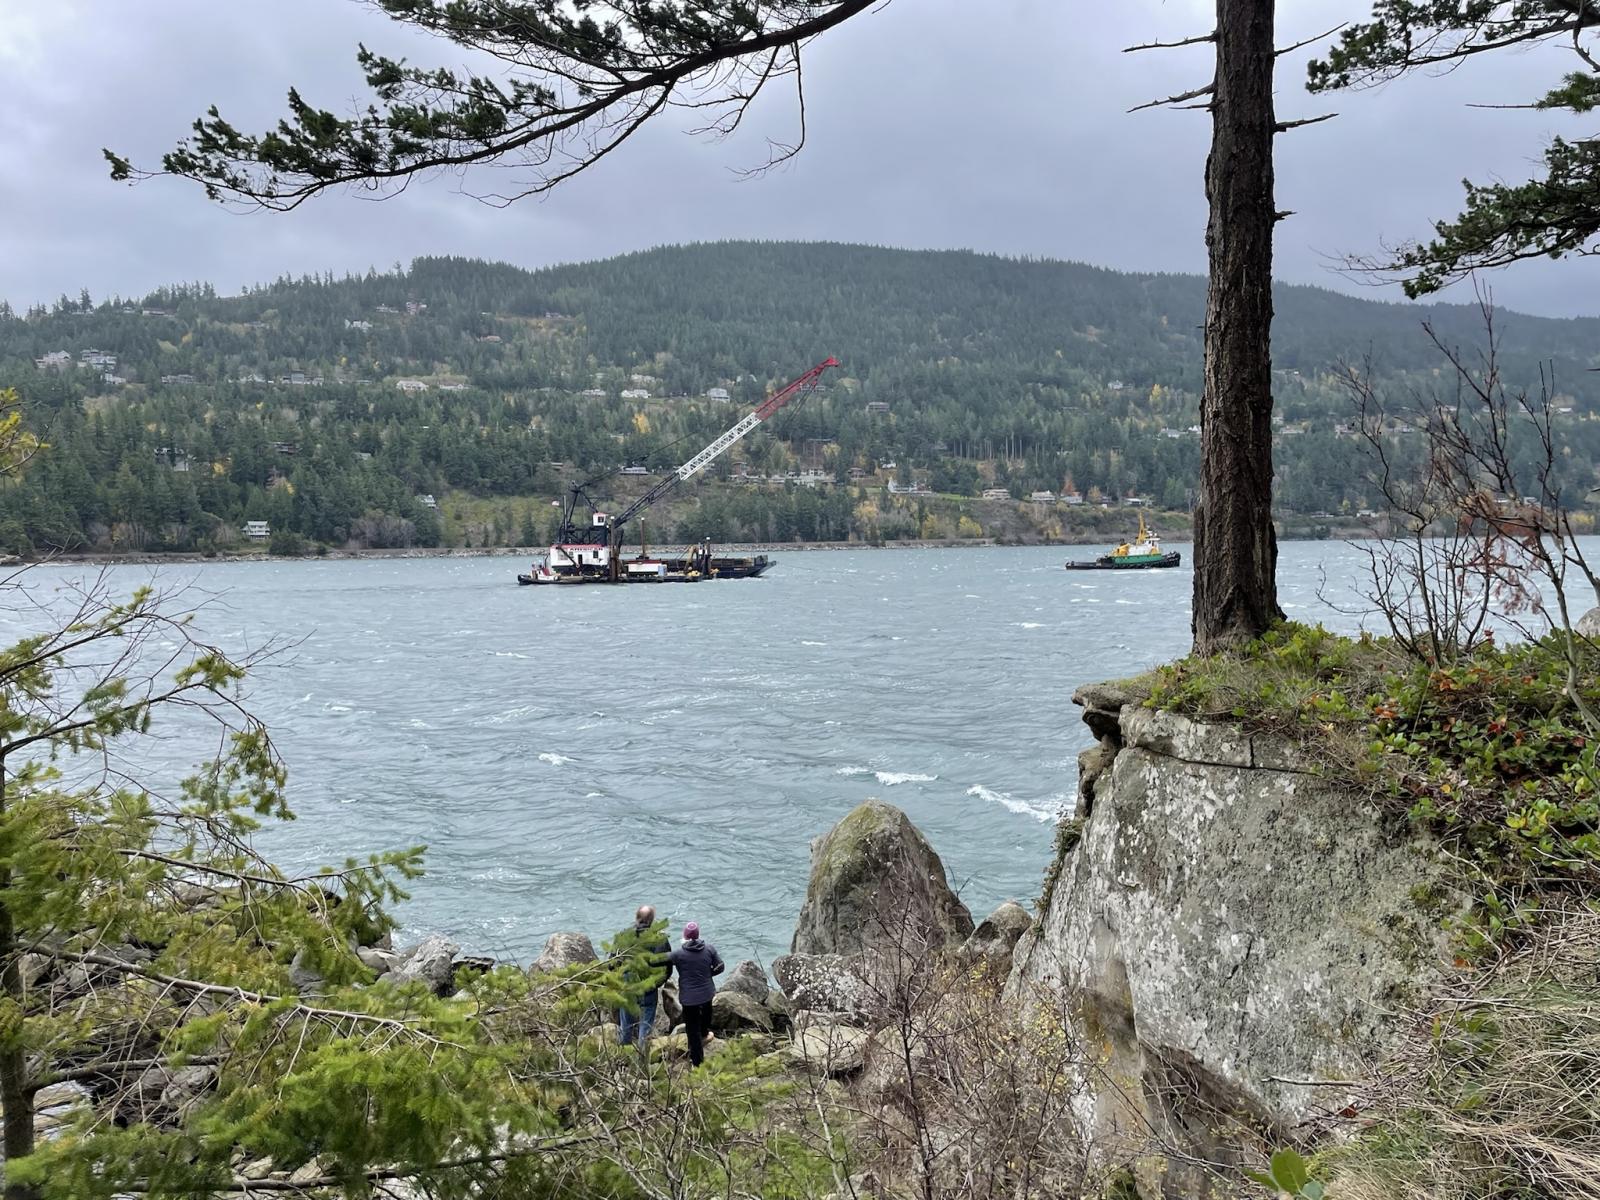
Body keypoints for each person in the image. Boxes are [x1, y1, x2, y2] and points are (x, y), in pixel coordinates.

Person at [614, 905, 671, 1049]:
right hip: (648, 986)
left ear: (636, 917)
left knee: (626, 1020)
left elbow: (613, 962)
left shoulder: (624, 935)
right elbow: (666, 964)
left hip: (628, 985)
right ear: (652, 920)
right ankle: (642, 1055)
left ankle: (624, 1052)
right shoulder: (659, 939)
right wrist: (657, 983)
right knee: (645, 1024)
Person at [668, 920, 723, 1067]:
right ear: (698, 935)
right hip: (706, 993)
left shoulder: (678, 954)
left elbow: (658, 961)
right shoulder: (709, 949)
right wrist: (708, 974)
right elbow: (721, 966)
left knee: (692, 1030)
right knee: (706, 1017)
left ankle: (697, 1063)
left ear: (684, 937)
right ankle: (705, 1034)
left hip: (689, 997)